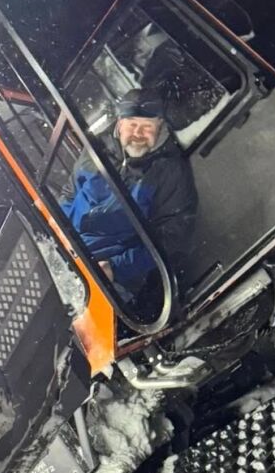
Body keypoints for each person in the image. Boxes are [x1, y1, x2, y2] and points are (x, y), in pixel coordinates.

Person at [62, 89, 200, 317]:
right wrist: (57, 229)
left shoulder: (170, 171)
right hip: (66, 252)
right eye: (132, 124)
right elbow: (69, 192)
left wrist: (116, 268)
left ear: (160, 127)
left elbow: (173, 238)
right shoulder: (97, 150)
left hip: (112, 278)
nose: (138, 133)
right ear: (119, 123)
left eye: (147, 126)